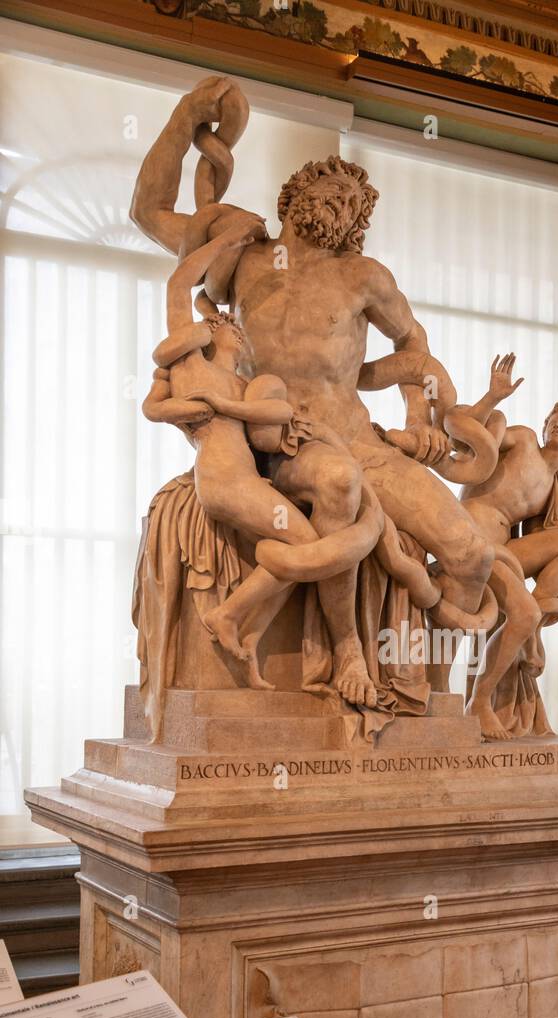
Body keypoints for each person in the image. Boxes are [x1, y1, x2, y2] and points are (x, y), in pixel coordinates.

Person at [131, 75, 496, 701]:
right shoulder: (242, 256)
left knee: (471, 553)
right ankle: (347, 650)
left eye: (357, 198)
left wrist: (415, 418)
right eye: (333, 185)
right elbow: (148, 211)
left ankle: (439, 708)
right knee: (334, 482)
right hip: (279, 446)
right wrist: (184, 117)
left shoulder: (365, 277)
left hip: (362, 439)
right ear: (295, 194)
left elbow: (415, 349)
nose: (345, 199)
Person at [142, 224, 383, 697]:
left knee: (302, 551)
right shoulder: (193, 366)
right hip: (223, 483)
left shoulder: (240, 387)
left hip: (249, 481)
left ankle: (245, 635)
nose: (239, 332)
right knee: (303, 549)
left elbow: (270, 421)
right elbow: (178, 285)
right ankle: (228, 615)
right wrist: (229, 241)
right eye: (232, 326)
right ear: (215, 332)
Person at [457, 356, 558, 740]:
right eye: (553, 420)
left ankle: (537, 613)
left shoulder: (555, 490)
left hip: (503, 552)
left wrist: (556, 596)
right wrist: (492, 397)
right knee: (526, 614)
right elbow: (470, 436)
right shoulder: (523, 440)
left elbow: (555, 548)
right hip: (468, 536)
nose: (556, 424)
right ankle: (479, 702)